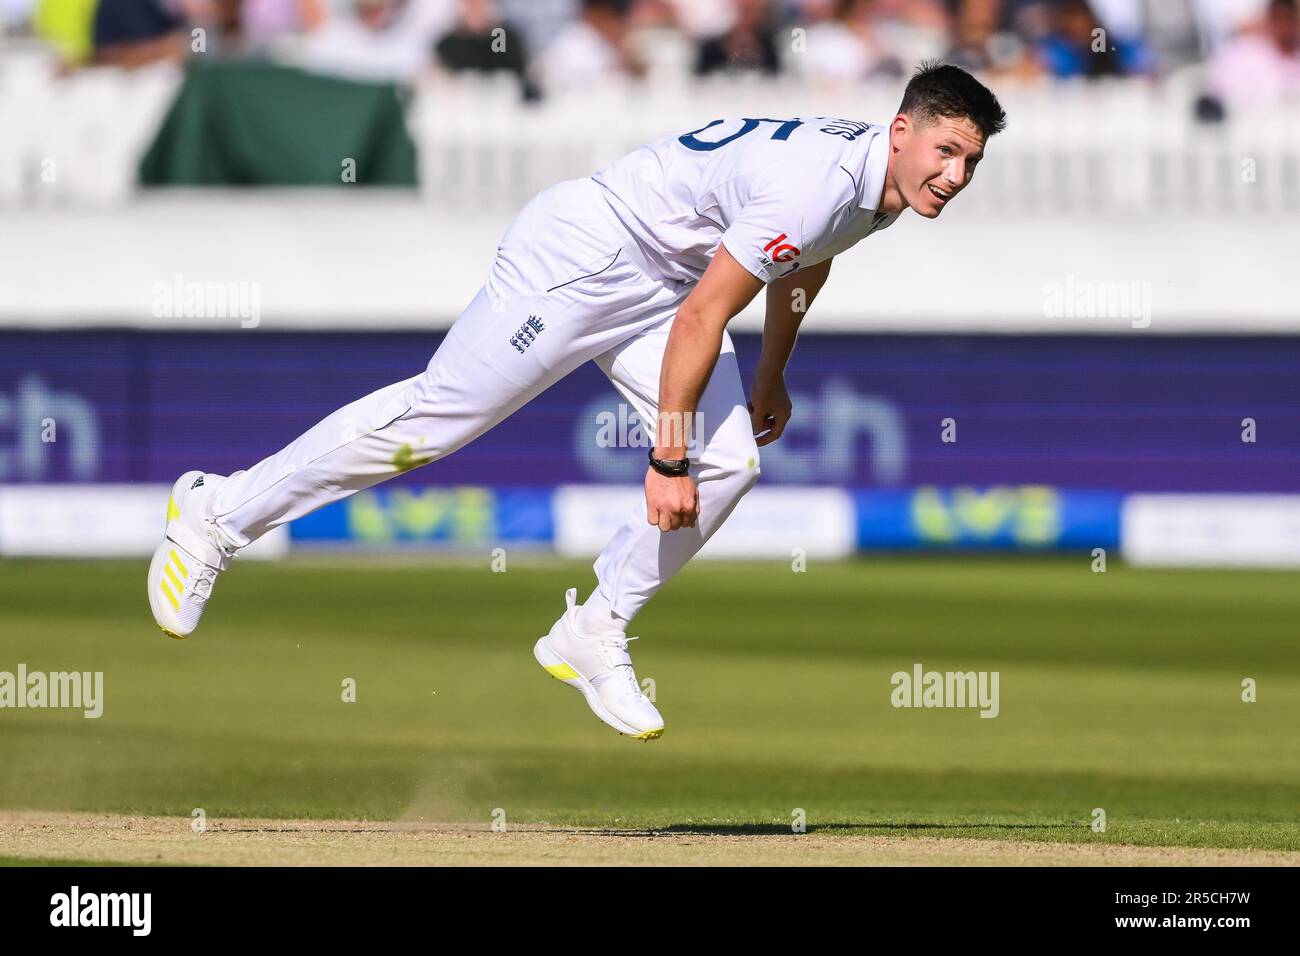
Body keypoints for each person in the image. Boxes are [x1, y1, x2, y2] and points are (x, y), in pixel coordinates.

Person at [147, 61, 1006, 741]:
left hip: (659, 280)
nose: (957, 175)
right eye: (946, 152)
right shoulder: (823, 181)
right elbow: (709, 313)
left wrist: (773, 372)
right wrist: (666, 459)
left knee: (734, 462)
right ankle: (216, 515)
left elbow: (804, 262)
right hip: (588, 257)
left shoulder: (875, 184)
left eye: (970, 160)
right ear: (903, 131)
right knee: (434, 422)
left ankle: (595, 627)